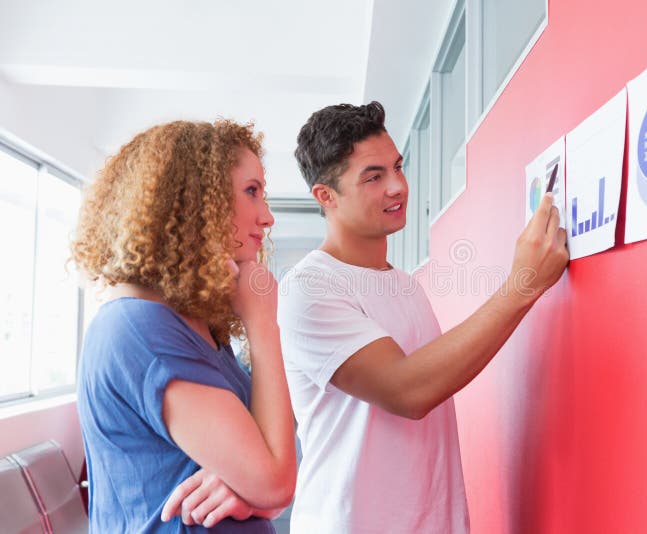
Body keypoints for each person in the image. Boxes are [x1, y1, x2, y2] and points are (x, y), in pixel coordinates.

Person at [278, 101, 569, 533]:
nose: (398, 186)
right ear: (326, 196)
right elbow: (408, 391)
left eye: (398, 167)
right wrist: (522, 286)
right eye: (374, 177)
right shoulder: (310, 287)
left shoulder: (404, 284)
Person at [71, 119, 296, 533]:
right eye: (251, 191)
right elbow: (277, 481)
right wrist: (263, 321)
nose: (267, 217)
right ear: (195, 198)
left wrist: (249, 491)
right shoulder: (139, 329)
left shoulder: (191, 321)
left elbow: (273, 457)